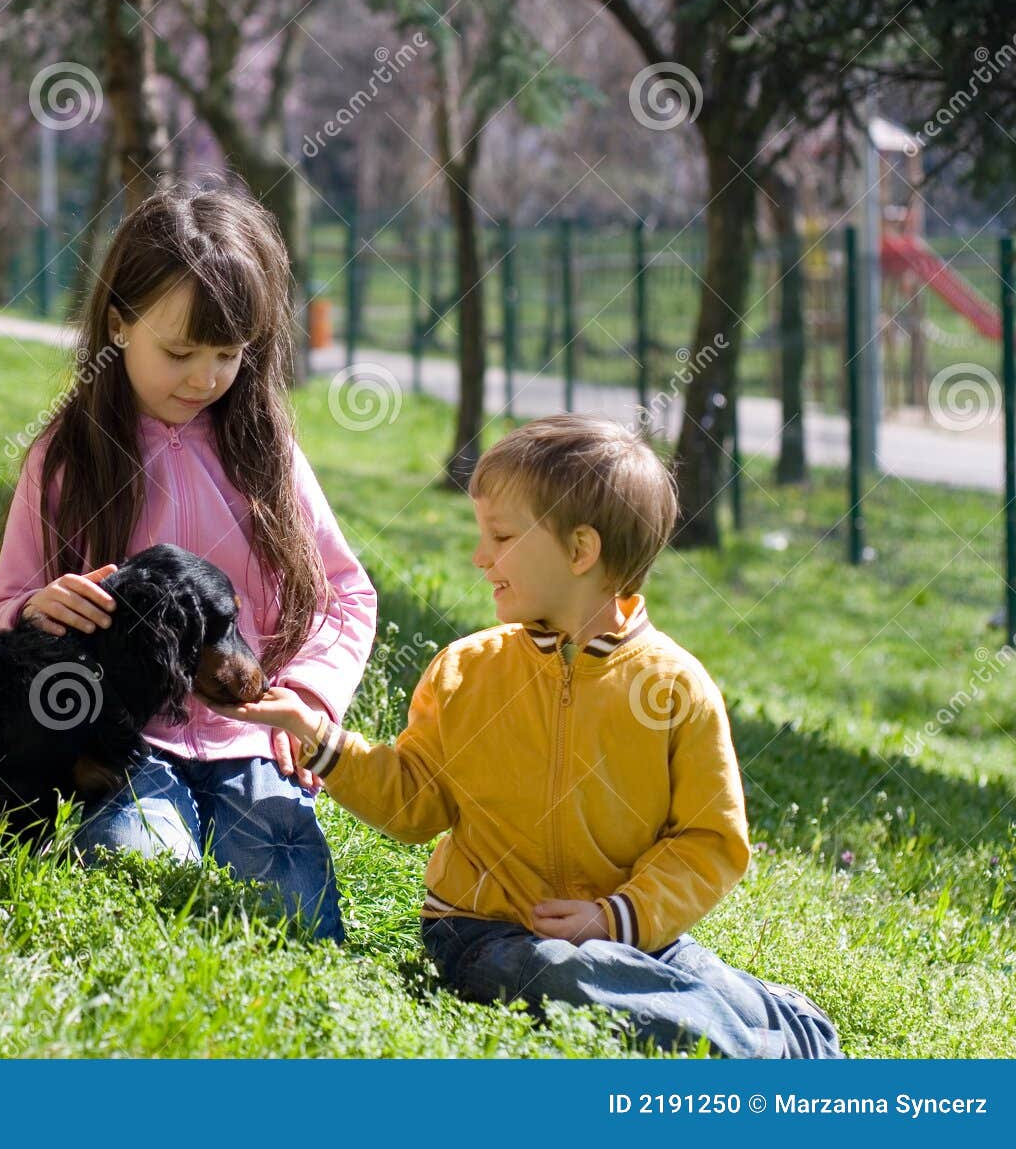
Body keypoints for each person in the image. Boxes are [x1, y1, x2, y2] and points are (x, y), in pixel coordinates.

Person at [209, 413, 843, 1056]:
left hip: (633, 933)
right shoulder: (468, 670)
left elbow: (709, 840)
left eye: (502, 536)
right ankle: (764, 1058)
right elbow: (414, 802)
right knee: (570, 977)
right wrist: (320, 737)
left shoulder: (676, 690)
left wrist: (616, 918)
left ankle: (785, 1027)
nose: (480, 557)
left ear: (580, 551)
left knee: (667, 976)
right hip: (487, 935)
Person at [0, 180, 377, 942]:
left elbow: (347, 594)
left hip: (250, 742)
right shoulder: (66, 459)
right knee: (139, 879)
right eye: (179, 351)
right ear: (120, 325)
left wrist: (308, 699)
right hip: (118, 741)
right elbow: (1, 611)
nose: (203, 379)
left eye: (228, 354)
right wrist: (35, 612)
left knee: (297, 918)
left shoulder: (265, 455)